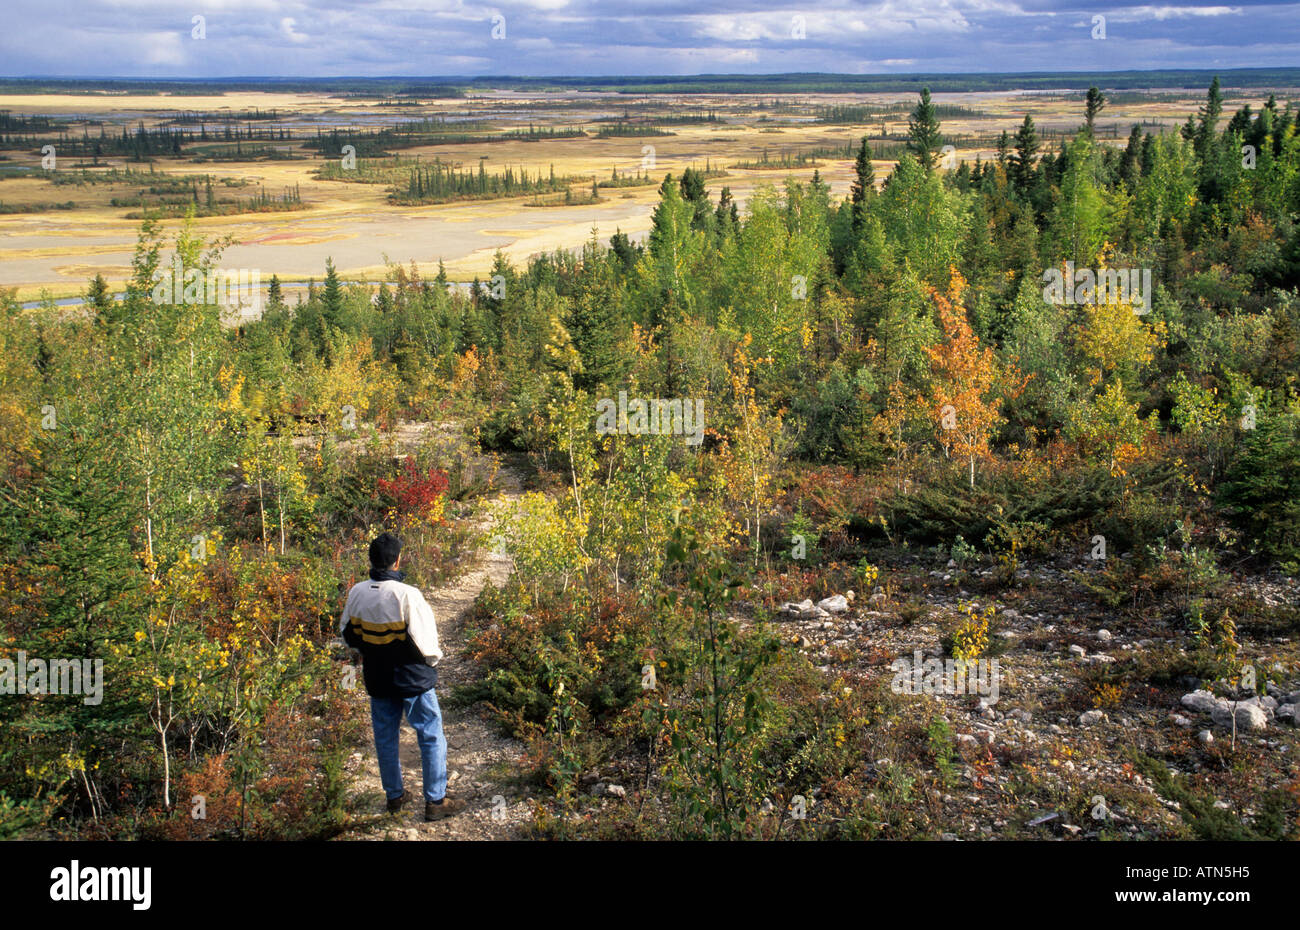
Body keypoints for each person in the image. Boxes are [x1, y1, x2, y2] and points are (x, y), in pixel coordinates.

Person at [339, 531, 466, 821]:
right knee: (430, 734)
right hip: (411, 678)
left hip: (377, 676)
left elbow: (348, 635)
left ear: (371, 560)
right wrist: (431, 665)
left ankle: (394, 796)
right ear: (397, 561)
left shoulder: (356, 592)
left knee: (385, 736)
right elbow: (425, 644)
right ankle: (435, 800)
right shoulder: (408, 595)